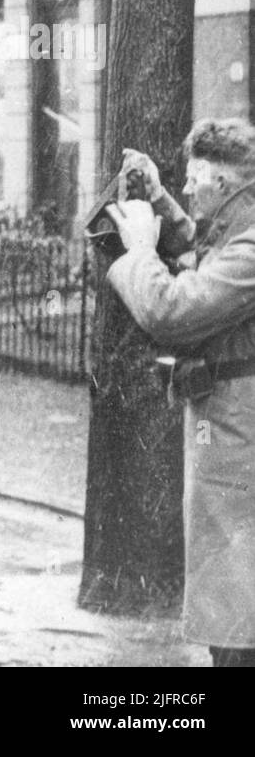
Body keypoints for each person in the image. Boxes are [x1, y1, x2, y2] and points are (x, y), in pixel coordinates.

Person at [107, 118, 255, 668]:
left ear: (224, 184)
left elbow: (171, 310)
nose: (187, 189)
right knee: (232, 598)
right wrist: (162, 200)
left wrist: (140, 247)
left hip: (240, 447)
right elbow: (202, 245)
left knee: (239, 610)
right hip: (230, 435)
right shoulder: (239, 233)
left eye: (194, 181)